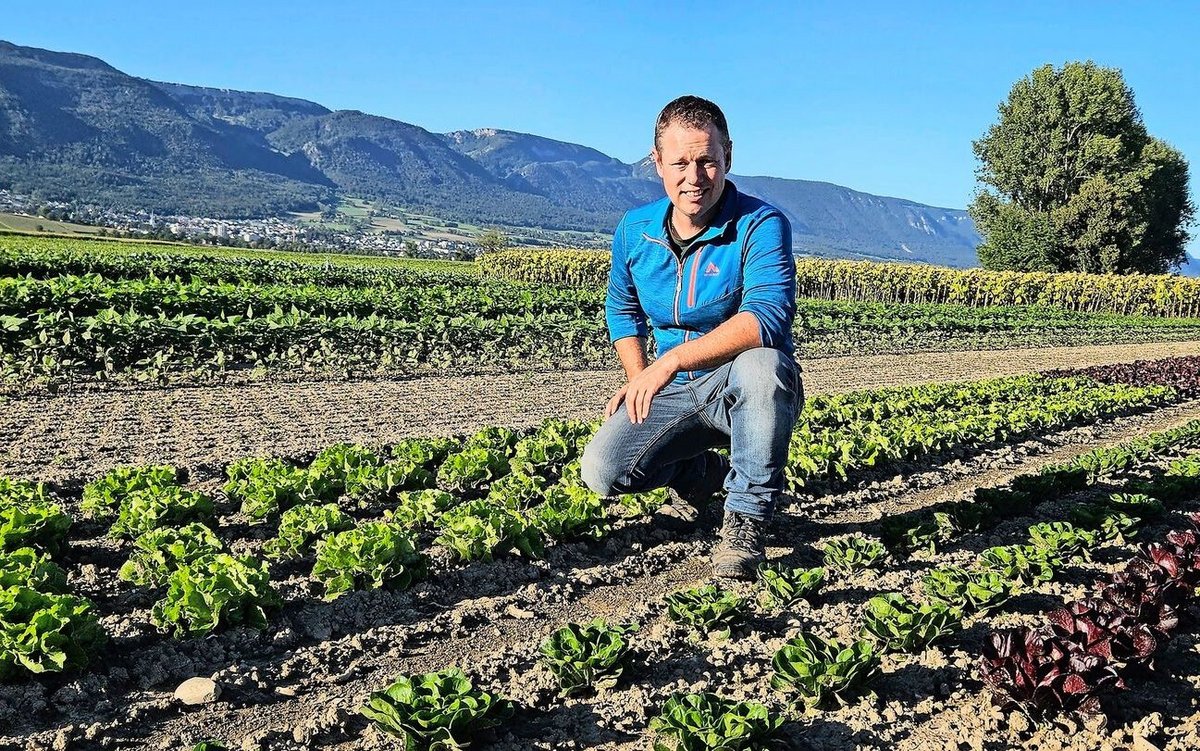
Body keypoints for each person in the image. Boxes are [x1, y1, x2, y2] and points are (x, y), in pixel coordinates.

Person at [580, 95, 803, 580]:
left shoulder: (761, 225)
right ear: (657, 162)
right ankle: (699, 474)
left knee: (763, 364)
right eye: (680, 163)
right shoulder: (635, 230)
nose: (694, 177)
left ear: (728, 156)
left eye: (707, 161)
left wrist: (671, 361)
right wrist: (639, 378)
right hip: (676, 390)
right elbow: (622, 308)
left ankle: (746, 521)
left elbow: (765, 318)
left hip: (738, 386)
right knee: (602, 471)